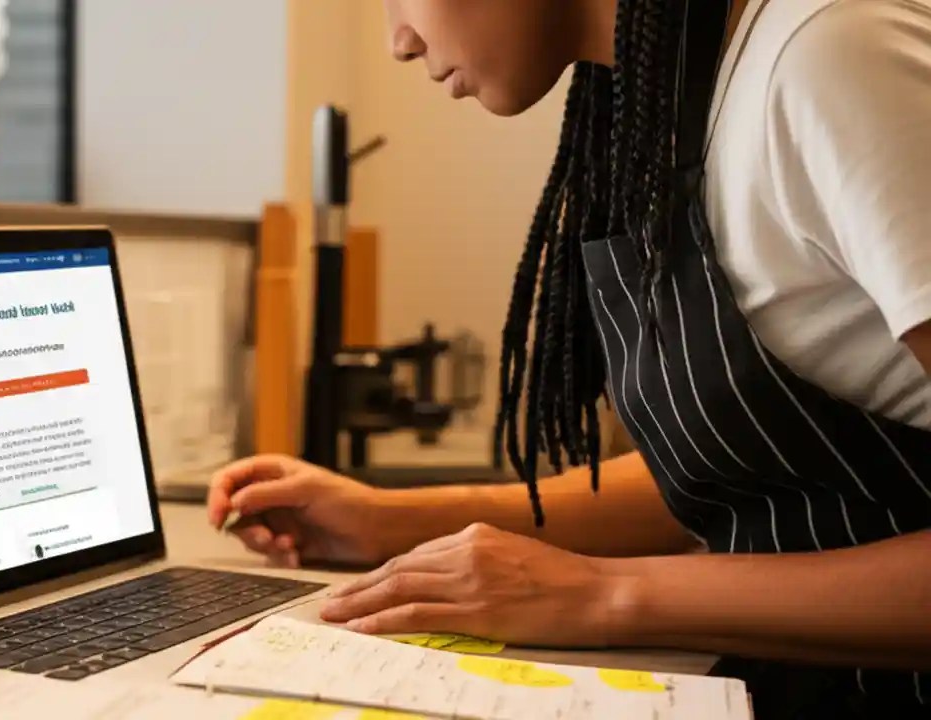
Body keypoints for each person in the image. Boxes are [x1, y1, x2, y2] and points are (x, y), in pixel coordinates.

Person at [207, 0, 931, 717]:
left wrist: (599, 594)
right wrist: (384, 523)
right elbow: (757, 473)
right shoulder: (679, 97)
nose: (398, 40)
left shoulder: (832, 58)